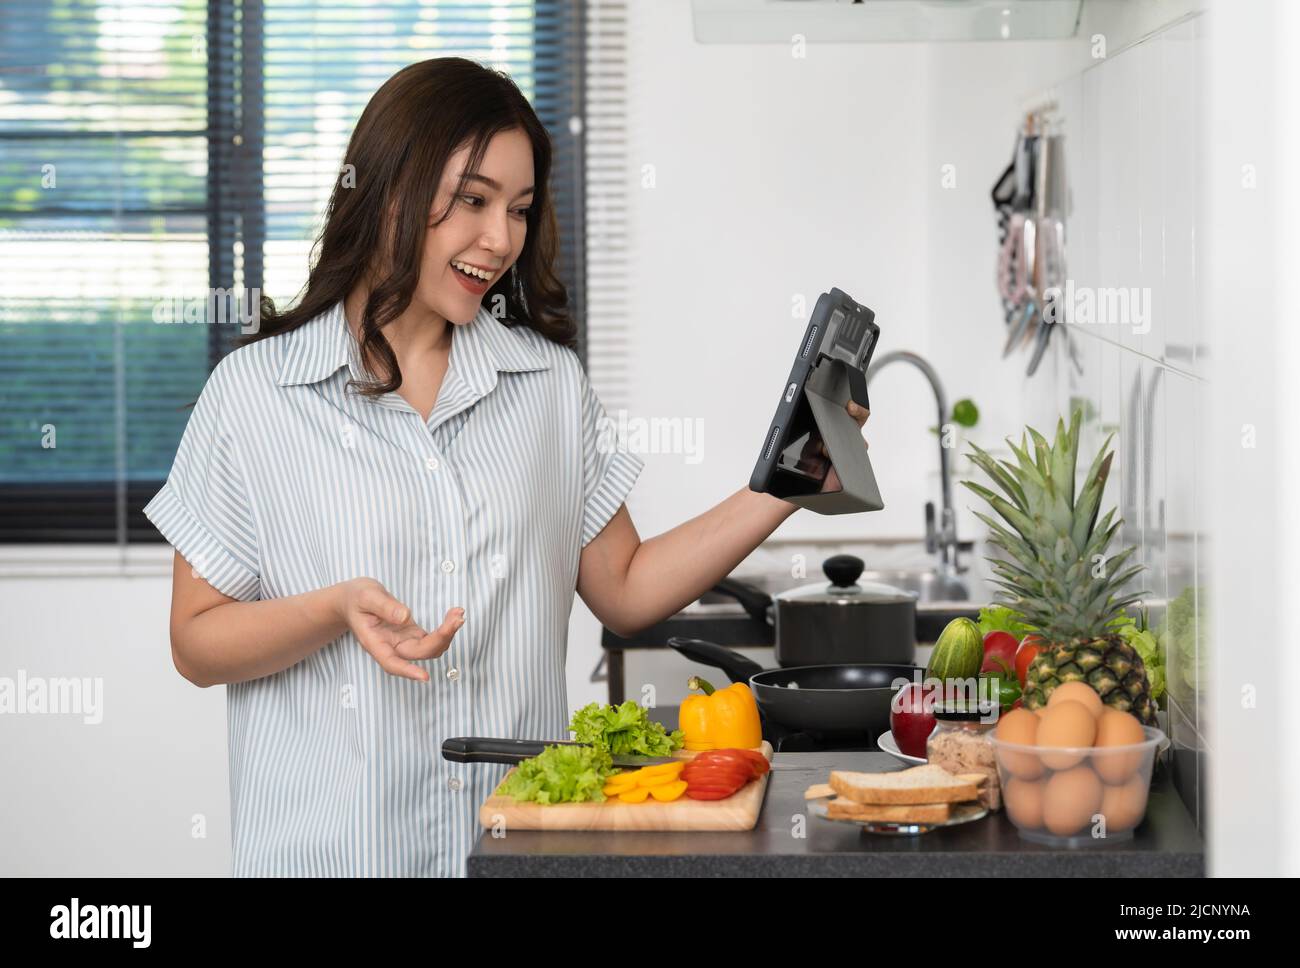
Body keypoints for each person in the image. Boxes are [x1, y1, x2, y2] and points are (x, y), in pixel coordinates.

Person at [144, 57, 869, 878]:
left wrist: (787, 484)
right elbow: (196, 643)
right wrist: (334, 608)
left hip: (519, 853)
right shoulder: (255, 394)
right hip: (330, 857)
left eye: (519, 210)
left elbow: (625, 588)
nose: (500, 240)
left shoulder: (548, 388)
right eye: (474, 201)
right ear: (388, 192)